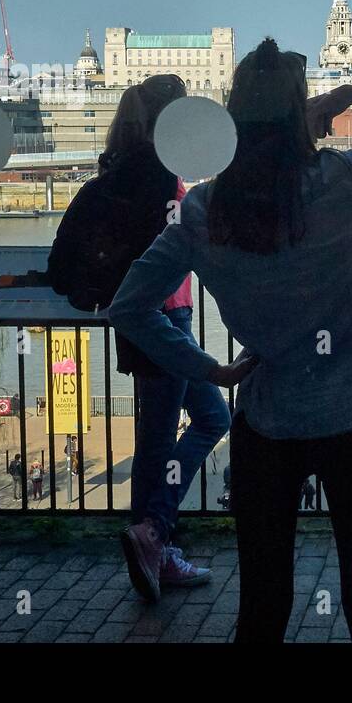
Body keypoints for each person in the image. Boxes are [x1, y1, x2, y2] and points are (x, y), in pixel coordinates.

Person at [110, 38, 352, 643]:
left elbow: (129, 307)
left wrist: (209, 370)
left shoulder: (203, 211)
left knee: (262, 607)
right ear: (299, 115)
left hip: (266, 420)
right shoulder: (347, 181)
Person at [77, 75, 233, 602]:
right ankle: (154, 538)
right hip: (165, 317)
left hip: (148, 319)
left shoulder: (123, 173)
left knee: (183, 428)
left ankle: (153, 537)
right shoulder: (161, 179)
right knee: (172, 435)